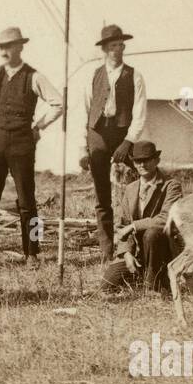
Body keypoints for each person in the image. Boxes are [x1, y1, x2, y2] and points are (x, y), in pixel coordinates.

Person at [0, 26, 63, 263]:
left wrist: (38, 127)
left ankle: (32, 252)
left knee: (27, 200)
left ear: (20, 47)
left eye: (9, 46)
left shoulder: (34, 76)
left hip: (22, 144)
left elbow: (58, 104)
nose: (4, 51)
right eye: (1, 46)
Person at [79, 23, 147, 261]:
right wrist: (83, 148)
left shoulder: (134, 75)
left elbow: (139, 114)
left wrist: (127, 142)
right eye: (112, 46)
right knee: (102, 194)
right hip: (98, 133)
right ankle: (107, 251)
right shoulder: (93, 74)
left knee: (143, 182)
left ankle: (139, 240)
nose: (117, 50)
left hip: (123, 133)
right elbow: (85, 112)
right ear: (104, 50)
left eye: (120, 45)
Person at [111, 140, 181, 293]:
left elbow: (166, 219)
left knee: (152, 234)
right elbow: (122, 224)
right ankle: (142, 275)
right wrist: (127, 253)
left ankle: (154, 286)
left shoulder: (171, 186)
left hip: (162, 249)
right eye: (137, 161)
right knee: (107, 284)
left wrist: (133, 226)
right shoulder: (130, 189)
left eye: (146, 160)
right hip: (137, 250)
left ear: (156, 160)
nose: (142, 165)